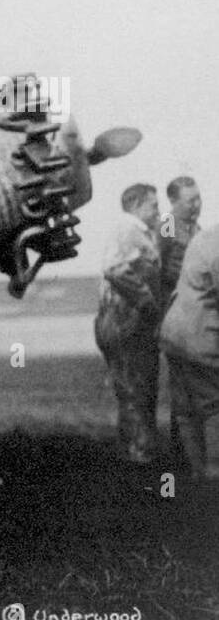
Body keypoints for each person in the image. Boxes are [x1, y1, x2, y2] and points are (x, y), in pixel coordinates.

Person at [93, 183, 163, 464]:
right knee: (134, 387)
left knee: (138, 386)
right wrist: (146, 300)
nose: (158, 211)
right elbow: (113, 268)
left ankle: (138, 449)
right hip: (124, 320)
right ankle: (138, 453)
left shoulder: (141, 232)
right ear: (135, 205)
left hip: (133, 321)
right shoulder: (127, 230)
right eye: (153, 205)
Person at [160, 225, 219, 480]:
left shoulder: (205, 235)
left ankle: (198, 473)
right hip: (200, 336)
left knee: (185, 409)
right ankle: (215, 472)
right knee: (214, 406)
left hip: (175, 332)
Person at [160, 176, 202, 297]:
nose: (197, 204)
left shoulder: (195, 226)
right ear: (174, 201)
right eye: (191, 201)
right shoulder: (167, 224)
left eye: (198, 198)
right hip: (175, 298)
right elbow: (160, 265)